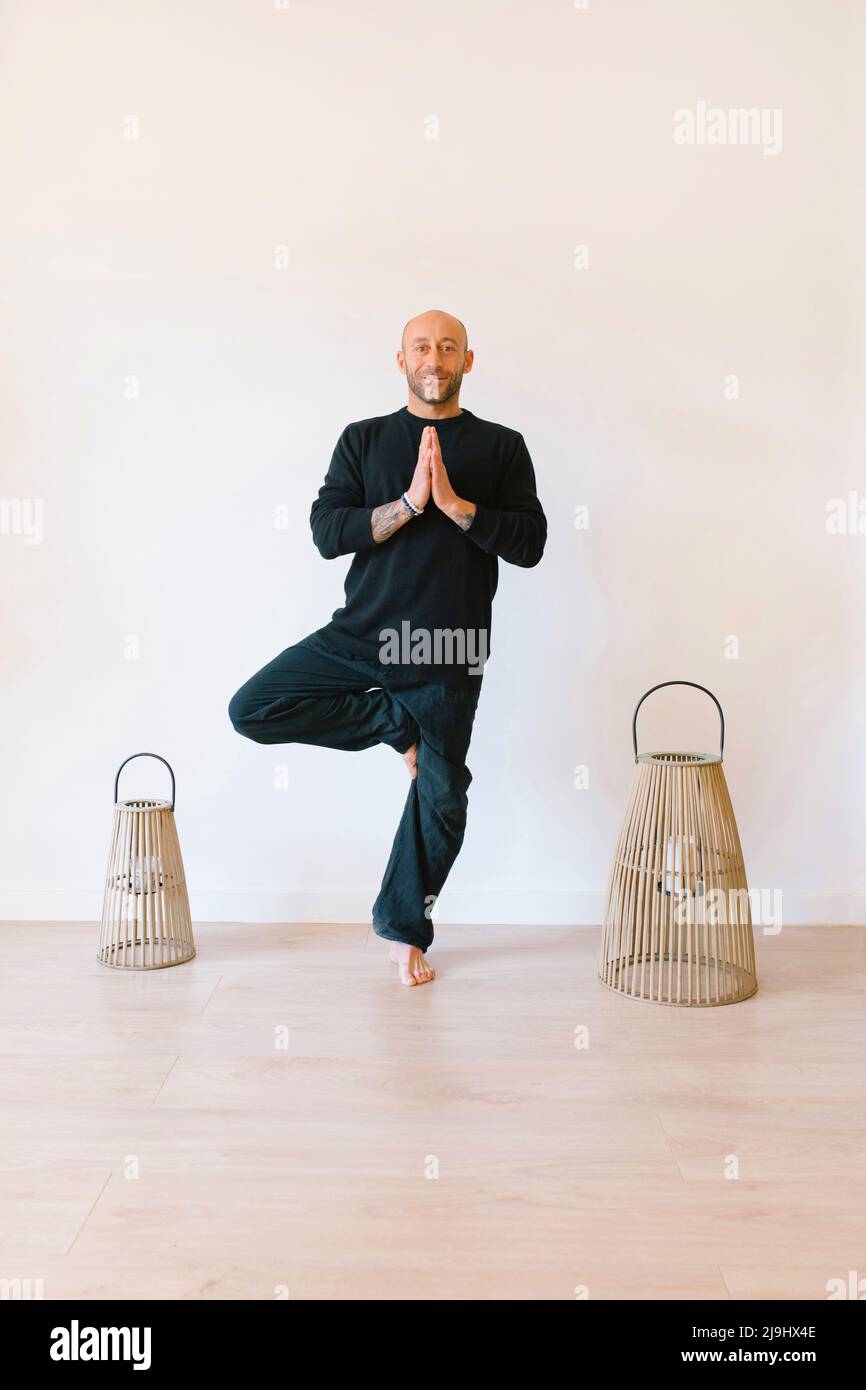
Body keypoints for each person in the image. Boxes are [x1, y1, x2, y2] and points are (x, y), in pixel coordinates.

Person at [228, 309, 547, 986]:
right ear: (401, 360)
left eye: (448, 347)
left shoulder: (502, 447)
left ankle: (405, 932)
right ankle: (391, 724)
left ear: (468, 360)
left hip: (447, 648)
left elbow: (531, 544)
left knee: (443, 797)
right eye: (422, 347)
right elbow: (326, 530)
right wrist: (408, 502)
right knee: (252, 707)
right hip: (362, 636)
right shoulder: (364, 440)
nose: (436, 358)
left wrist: (458, 506)